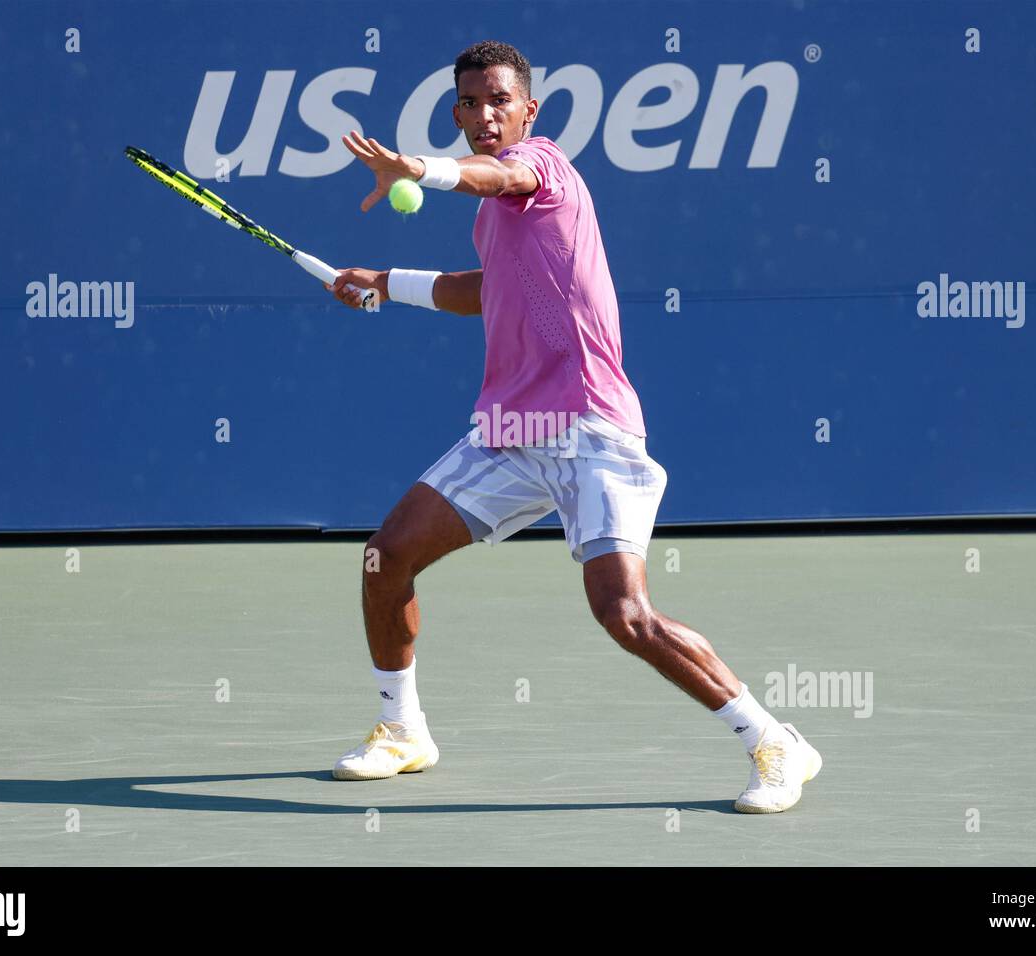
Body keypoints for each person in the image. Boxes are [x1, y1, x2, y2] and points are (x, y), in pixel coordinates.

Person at [324, 40, 821, 812]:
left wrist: (418, 169)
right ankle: (402, 730)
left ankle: (771, 739)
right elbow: (485, 290)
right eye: (469, 103)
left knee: (623, 614)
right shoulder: (495, 218)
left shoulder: (543, 166)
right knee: (387, 558)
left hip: (589, 422)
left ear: (528, 110)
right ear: (455, 112)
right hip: (511, 431)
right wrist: (387, 283)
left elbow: (499, 173)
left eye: (499, 101)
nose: (484, 116)